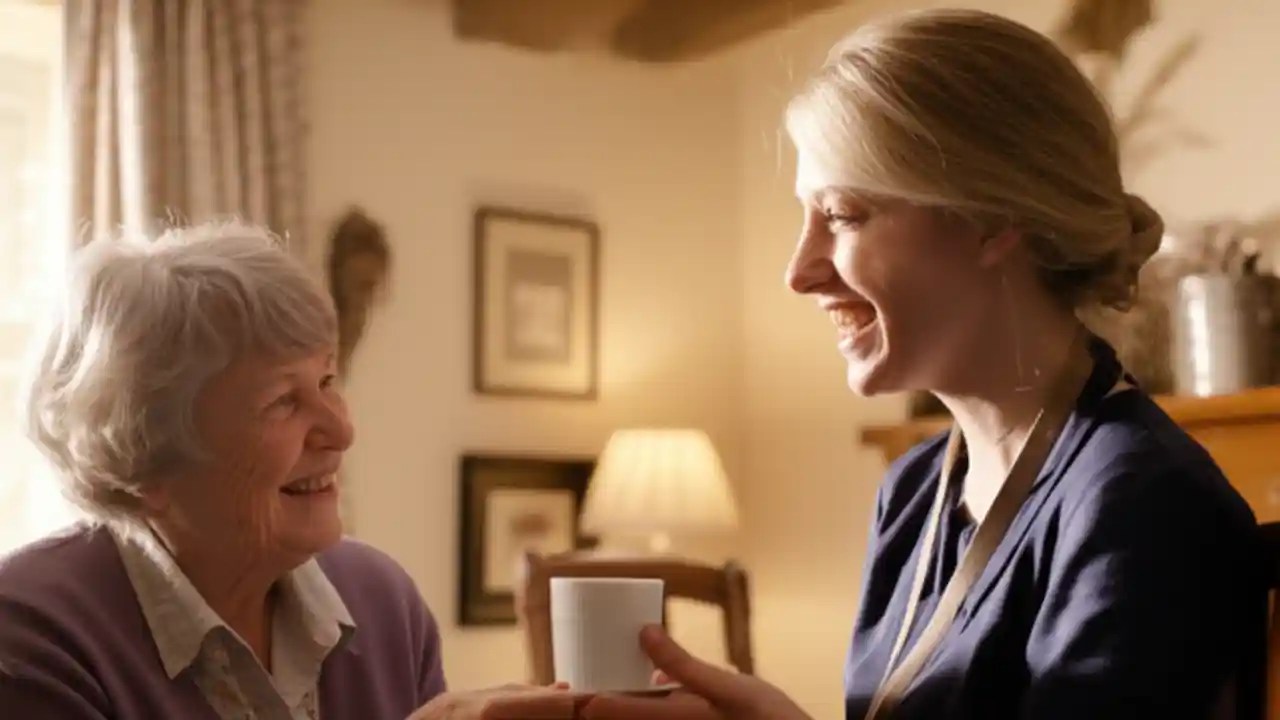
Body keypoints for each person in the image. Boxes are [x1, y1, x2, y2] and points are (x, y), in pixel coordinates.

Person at [519, 8, 1265, 720]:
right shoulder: (913, 492)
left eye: (841, 216)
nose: (799, 271)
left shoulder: (1141, 505)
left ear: (991, 218)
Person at [0, 222, 563, 719]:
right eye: (282, 402)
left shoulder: (384, 604)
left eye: (325, 382)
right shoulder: (30, 639)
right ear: (145, 458)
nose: (341, 432)